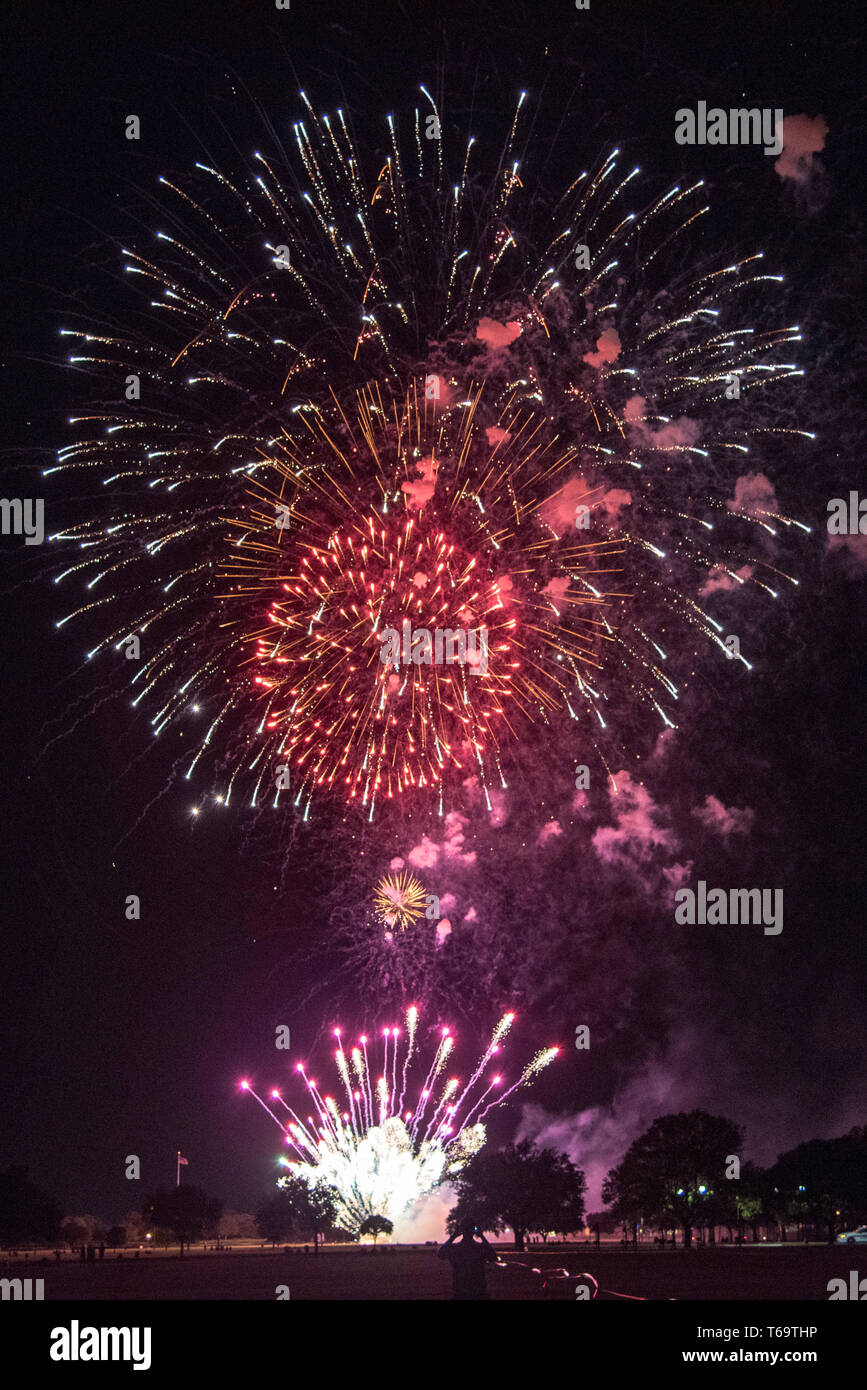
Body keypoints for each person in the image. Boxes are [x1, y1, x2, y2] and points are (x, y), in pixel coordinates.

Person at [438, 1222, 498, 1300]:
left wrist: (453, 1236)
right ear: (474, 1231)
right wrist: (482, 1236)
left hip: (460, 1291)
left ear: (461, 1230)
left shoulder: (455, 1248)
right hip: (478, 1291)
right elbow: (493, 1257)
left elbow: (441, 1254)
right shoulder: (480, 1248)